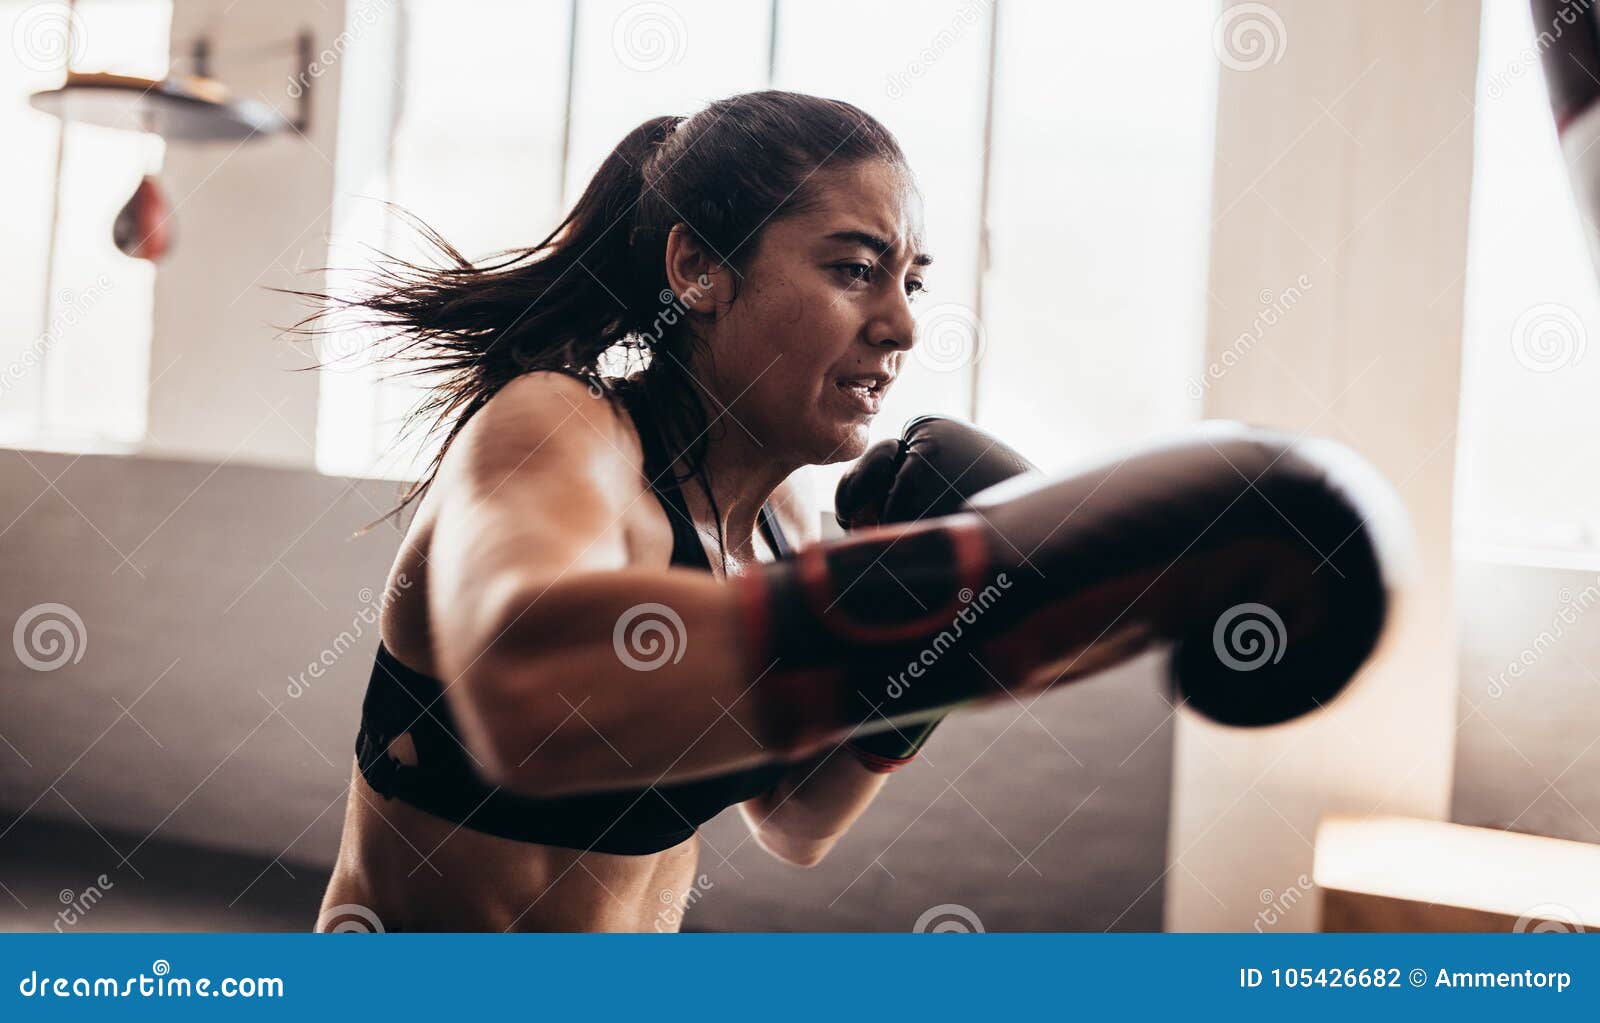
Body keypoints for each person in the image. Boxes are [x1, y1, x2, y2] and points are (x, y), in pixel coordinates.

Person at [305, 91, 1403, 933]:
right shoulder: (558, 430)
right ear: (698, 270)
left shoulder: (785, 525)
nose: (901, 325)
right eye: (853, 269)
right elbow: (530, 694)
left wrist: (947, 637)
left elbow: (795, 823)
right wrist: (990, 569)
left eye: (910, 281)